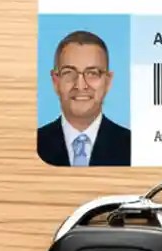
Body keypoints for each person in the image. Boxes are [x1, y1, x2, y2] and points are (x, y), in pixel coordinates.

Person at [37, 30, 131, 166]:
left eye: (92, 73)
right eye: (69, 73)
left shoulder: (134, 147)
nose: (80, 86)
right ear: (55, 81)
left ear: (108, 81)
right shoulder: (33, 143)